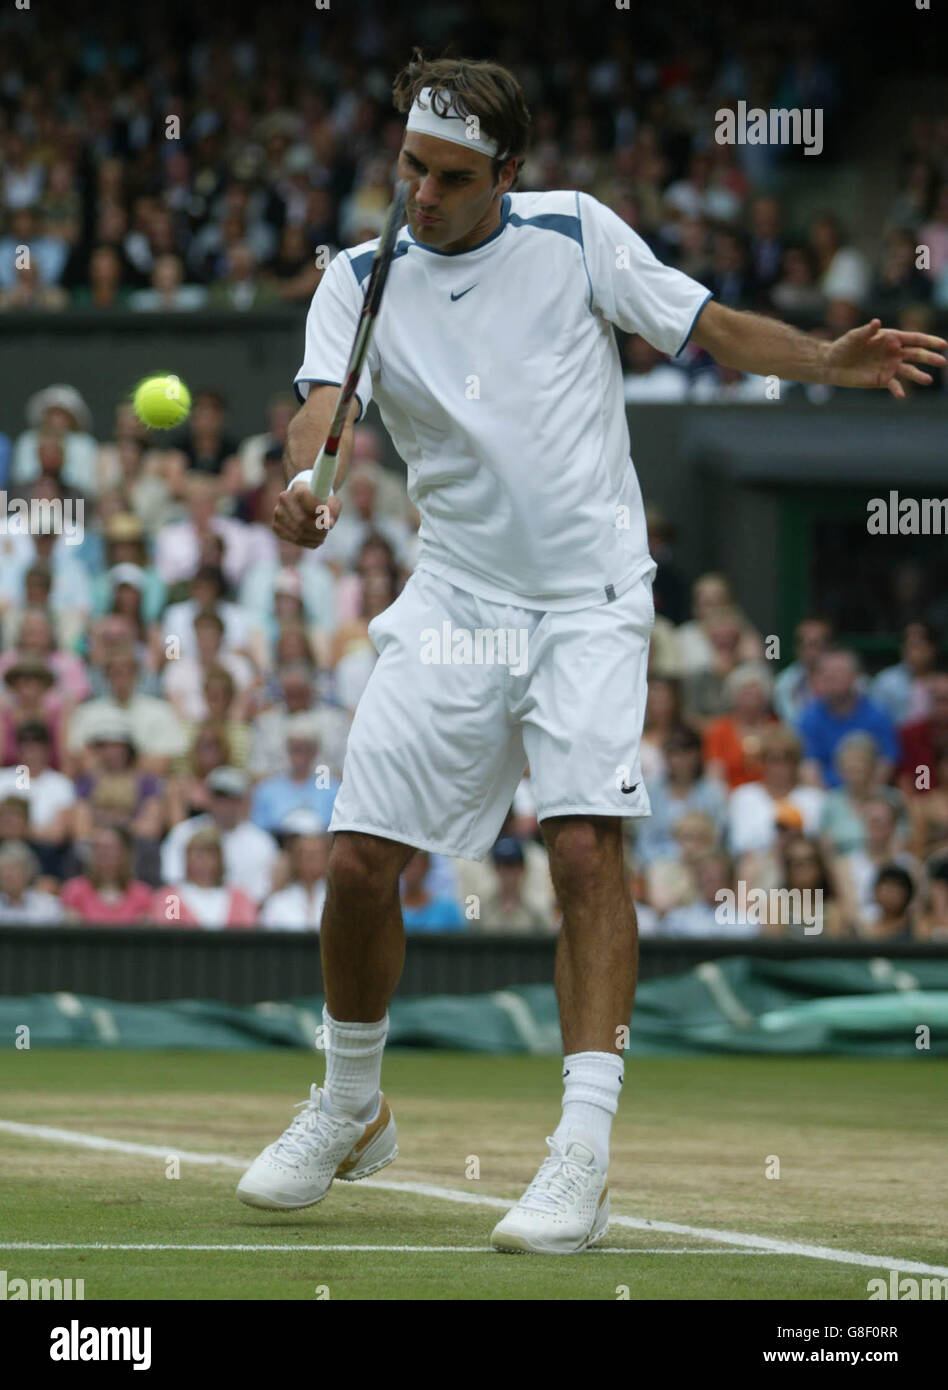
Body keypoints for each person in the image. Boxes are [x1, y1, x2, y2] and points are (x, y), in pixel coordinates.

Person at [238, 51, 947, 1254]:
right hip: (458, 593)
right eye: (410, 166)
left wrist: (824, 361)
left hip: (591, 598)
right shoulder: (358, 280)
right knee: (359, 860)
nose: (421, 193)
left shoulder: (577, 234)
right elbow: (326, 418)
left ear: (507, 174)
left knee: (582, 845)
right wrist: (304, 490)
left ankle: (581, 1153)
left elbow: (709, 326)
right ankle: (353, 1105)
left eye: (451, 177)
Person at [797, 649, 899, 788]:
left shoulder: (877, 715)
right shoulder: (809, 717)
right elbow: (808, 766)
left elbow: (886, 763)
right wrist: (829, 802)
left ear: (854, 676)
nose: (830, 677)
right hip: (824, 795)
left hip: (868, 794)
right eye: (825, 673)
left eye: (838, 672)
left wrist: (862, 798)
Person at [153, 826, 258, 929]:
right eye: (199, 856)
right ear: (187, 859)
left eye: (210, 855)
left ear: (220, 859)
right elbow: (168, 933)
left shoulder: (239, 898)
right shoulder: (172, 898)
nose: (204, 862)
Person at [61, 825, 154, 925]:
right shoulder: (75, 890)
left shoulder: (142, 894)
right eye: (97, 847)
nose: (103, 853)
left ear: (125, 853)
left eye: (110, 848)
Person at [399, 850, 465, 931]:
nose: (411, 871)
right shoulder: (387, 908)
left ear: (426, 867)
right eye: (407, 864)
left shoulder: (448, 909)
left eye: (415, 864)